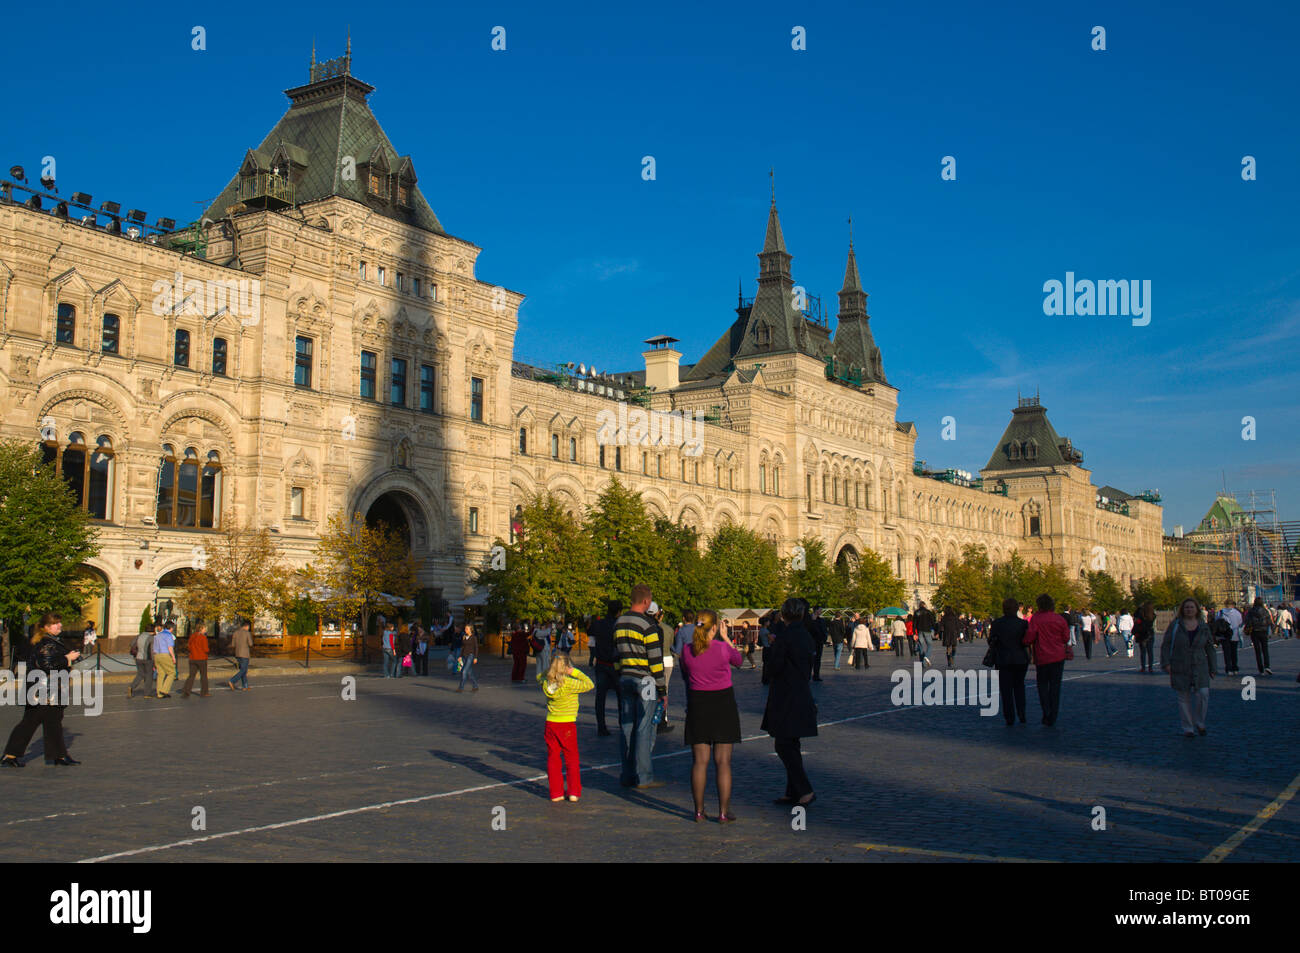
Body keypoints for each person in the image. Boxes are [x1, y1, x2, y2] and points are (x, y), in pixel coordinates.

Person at [679, 609, 742, 822]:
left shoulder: (688, 651)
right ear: (714, 627)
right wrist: (725, 638)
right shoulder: (723, 649)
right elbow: (739, 660)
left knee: (700, 761)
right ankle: (724, 812)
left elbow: (685, 672)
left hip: (698, 703)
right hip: (723, 703)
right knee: (723, 761)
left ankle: (698, 810)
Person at [2, 613, 82, 767]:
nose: (59, 625)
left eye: (59, 622)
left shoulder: (49, 641)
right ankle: (57, 756)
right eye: (55, 623)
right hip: (45, 691)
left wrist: (68, 658)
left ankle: (55, 755)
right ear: (46, 627)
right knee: (36, 723)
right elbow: (46, 664)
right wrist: (67, 658)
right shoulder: (47, 643)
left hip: (42, 691)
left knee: (45, 723)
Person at [762, 599, 817, 807]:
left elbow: (774, 667)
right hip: (801, 692)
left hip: (786, 694)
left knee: (784, 744)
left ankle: (804, 789)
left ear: (784, 615)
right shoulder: (805, 635)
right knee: (791, 743)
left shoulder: (785, 637)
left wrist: (774, 648)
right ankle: (793, 790)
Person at [614, 583, 666, 790]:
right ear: (646, 601)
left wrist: (621, 672)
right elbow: (655, 661)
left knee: (626, 726)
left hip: (625, 677)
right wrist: (662, 690)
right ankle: (644, 776)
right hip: (645, 680)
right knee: (644, 728)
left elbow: (615, 653)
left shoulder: (619, 622)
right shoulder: (648, 626)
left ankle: (626, 774)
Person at [538, 652, 594, 802]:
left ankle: (556, 793)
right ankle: (574, 791)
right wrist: (574, 672)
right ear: (567, 667)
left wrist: (550, 671)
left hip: (551, 723)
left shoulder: (546, 682)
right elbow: (589, 683)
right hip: (567, 723)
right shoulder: (569, 683)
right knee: (571, 759)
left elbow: (539, 677)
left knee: (553, 758)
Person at [1160, 598, 1216, 737]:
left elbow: (1210, 647)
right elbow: (1166, 644)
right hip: (1180, 663)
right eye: (1186, 608)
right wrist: (1166, 663)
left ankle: (1200, 722)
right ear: (1182, 610)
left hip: (1199, 664)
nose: (1189, 610)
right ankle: (1188, 727)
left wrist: (1213, 667)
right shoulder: (1176, 626)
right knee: (1183, 696)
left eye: (1191, 607)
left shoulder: (1203, 626)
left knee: (1203, 693)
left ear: (1196, 609)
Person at [1023, 593, 1069, 726]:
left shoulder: (1036, 619)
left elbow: (1029, 637)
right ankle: (1053, 715)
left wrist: (1025, 641)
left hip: (1042, 657)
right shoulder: (1059, 619)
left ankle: (1046, 712)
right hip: (1058, 657)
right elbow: (1066, 638)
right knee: (1055, 686)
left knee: (1042, 686)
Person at [988, 597, 1029, 725]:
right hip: (1020, 659)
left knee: (1005, 690)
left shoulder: (996, 623)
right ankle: (1021, 713)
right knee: (1019, 687)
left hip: (1003, 659)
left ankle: (1009, 717)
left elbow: (991, 641)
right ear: (1017, 609)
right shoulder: (1023, 624)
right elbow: (1026, 641)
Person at [588, 600, 621, 736]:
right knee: (621, 696)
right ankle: (622, 722)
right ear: (619, 612)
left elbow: (590, 631)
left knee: (600, 697)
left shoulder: (598, 623)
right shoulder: (619, 625)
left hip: (601, 663)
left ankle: (601, 726)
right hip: (616, 665)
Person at [649, 603, 675, 734]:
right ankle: (662, 718)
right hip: (667, 659)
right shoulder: (668, 629)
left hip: (654, 660)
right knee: (664, 689)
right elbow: (671, 645)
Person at [1244, 597, 1273, 675]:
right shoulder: (1265, 611)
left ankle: (1260, 669)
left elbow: (1247, 621)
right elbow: (1269, 621)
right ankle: (1267, 666)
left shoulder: (1251, 611)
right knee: (1265, 649)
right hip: (1263, 631)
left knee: (1257, 651)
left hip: (1254, 632)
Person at [180, 624, 210, 697]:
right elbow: (206, 649)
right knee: (203, 676)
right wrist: (208, 651)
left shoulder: (192, 636)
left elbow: (189, 647)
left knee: (191, 675)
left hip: (192, 657)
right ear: (201, 629)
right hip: (201, 658)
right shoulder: (203, 638)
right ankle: (204, 692)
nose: (205, 630)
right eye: (204, 629)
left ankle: (186, 690)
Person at [1215, 601, 1243, 676]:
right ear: (1233, 605)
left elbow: (1216, 622)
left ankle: (1228, 668)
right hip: (1234, 634)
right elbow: (1240, 623)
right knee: (1234, 652)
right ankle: (1235, 667)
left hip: (1224, 635)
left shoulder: (1220, 612)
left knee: (1226, 653)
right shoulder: (1237, 613)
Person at [127, 625, 155, 698]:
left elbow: (131, 644)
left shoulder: (139, 636)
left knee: (140, 674)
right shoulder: (151, 638)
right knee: (149, 675)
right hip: (148, 658)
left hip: (138, 658)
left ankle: (131, 687)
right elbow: (152, 650)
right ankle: (147, 693)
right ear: (153, 630)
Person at [153, 622, 177, 698]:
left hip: (157, 655)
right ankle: (164, 690)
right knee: (171, 673)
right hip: (165, 655)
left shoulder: (158, 635)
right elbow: (170, 647)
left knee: (161, 674)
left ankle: (159, 693)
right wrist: (173, 657)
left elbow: (154, 648)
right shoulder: (168, 635)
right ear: (172, 628)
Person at [227, 622, 252, 691]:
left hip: (237, 653)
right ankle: (232, 680)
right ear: (246, 626)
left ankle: (245, 686)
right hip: (245, 654)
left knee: (243, 669)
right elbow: (250, 644)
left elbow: (233, 644)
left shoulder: (236, 633)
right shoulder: (247, 633)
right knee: (244, 670)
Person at [1132, 603, 1157, 673]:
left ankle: (1143, 667)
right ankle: (1150, 668)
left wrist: (1139, 608)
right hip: (1150, 633)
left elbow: (1135, 614)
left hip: (1142, 634)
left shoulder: (1141, 615)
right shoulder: (1152, 616)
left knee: (1143, 652)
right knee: (1150, 651)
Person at [457, 623, 479, 692]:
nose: (465, 630)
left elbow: (476, 648)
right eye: (465, 628)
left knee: (464, 671)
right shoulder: (464, 636)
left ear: (470, 630)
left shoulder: (474, 637)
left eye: (467, 629)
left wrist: (475, 657)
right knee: (469, 672)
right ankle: (475, 685)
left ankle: (461, 687)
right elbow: (462, 647)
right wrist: (460, 656)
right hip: (464, 656)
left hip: (470, 655)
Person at [914, 602, 936, 668]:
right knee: (930, 645)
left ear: (919, 606)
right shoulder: (928, 612)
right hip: (927, 630)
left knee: (921, 646)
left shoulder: (916, 612)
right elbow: (933, 621)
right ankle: (926, 657)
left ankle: (922, 662)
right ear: (924, 605)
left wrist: (914, 633)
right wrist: (936, 631)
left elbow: (914, 623)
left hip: (920, 631)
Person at [809, 606, 827, 681]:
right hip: (812, 642)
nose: (821, 611)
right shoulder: (809, 619)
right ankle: (808, 674)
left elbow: (824, 630)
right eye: (820, 610)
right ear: (815, 611)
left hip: (819, 642)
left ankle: (816, 675)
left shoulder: (821, 620)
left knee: (818, 659)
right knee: (811, 659)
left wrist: (824, 638)